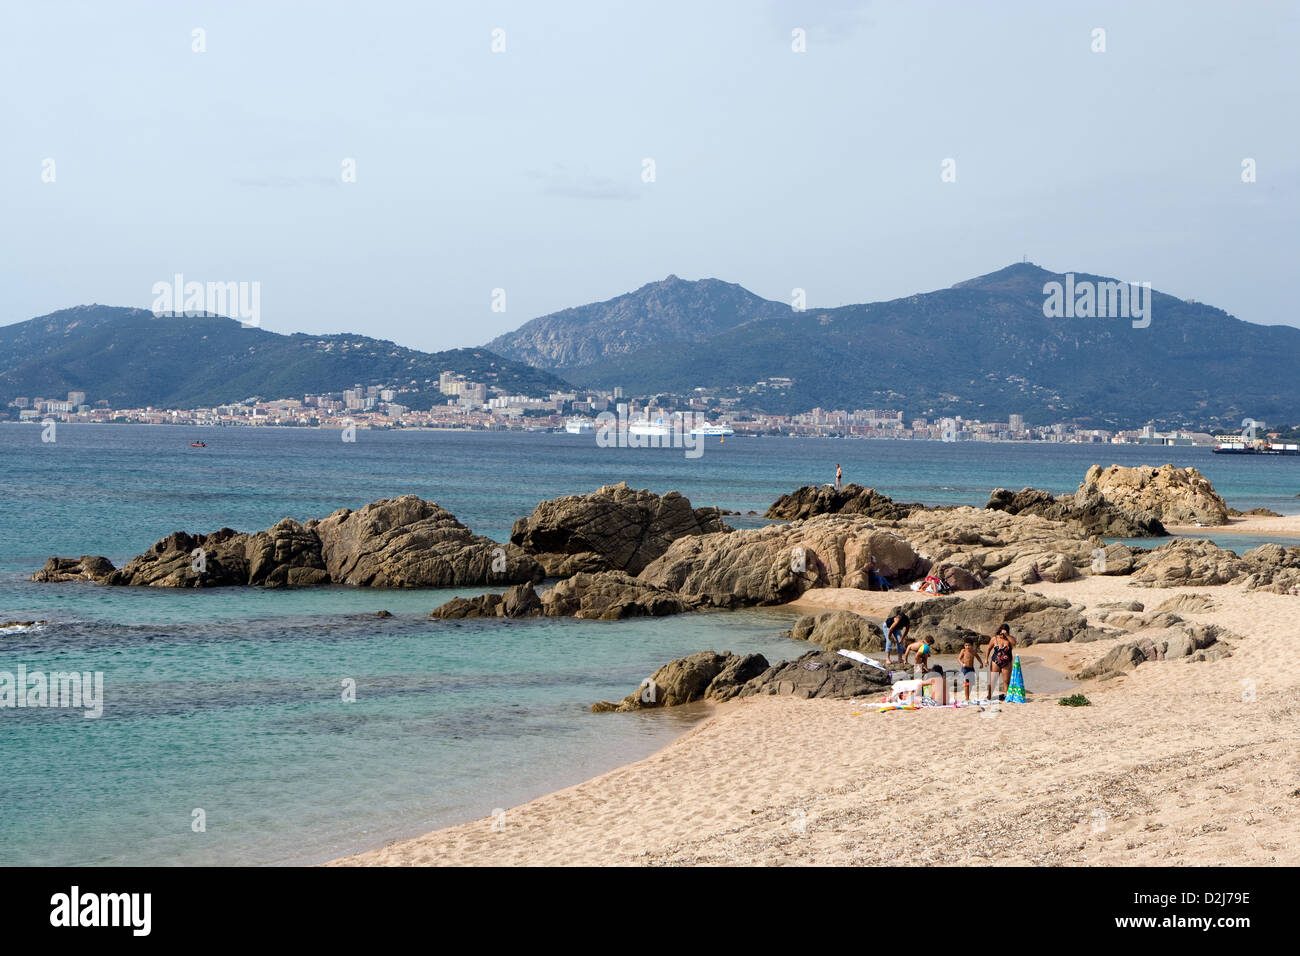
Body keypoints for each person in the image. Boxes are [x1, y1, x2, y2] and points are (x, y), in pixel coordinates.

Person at [987, 628, 1014, 701]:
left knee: (1006, 681)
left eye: (1004, 633)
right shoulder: (994, 639)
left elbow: (1014, 643)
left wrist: (1007, 636)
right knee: (993, 680)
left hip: (1007, 662)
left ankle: (1007, 697)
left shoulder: (1009, 639)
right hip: (995, 661)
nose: (1002, 635)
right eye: (1001, 633)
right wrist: (986, 660)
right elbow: (989, 648)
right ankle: (989, 696)